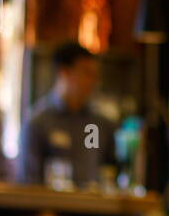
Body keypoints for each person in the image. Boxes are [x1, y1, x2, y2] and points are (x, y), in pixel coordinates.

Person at [18, 42, 116, 187]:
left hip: (94, 207)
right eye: (87, 73)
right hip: (52, 208)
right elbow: (29, 182)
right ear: (63, 72)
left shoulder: (99, 124)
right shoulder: (38, 122)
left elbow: (109, 172)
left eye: (95, 75)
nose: (93, 81)